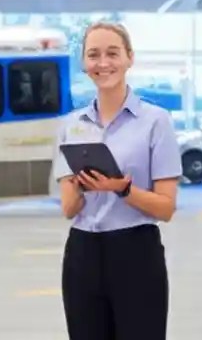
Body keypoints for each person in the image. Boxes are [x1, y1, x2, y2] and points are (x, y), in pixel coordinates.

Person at [52, 21, 182, 340]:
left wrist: (122, 189)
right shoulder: (71, 126)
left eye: (113, 53)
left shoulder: (156, 121)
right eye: (93, 55)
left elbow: (165, 208)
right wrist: (80, 186)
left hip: (136, 250)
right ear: (84, 63)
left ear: (129, 58)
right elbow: (69, 209)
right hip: (83, 253)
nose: (103, 62)